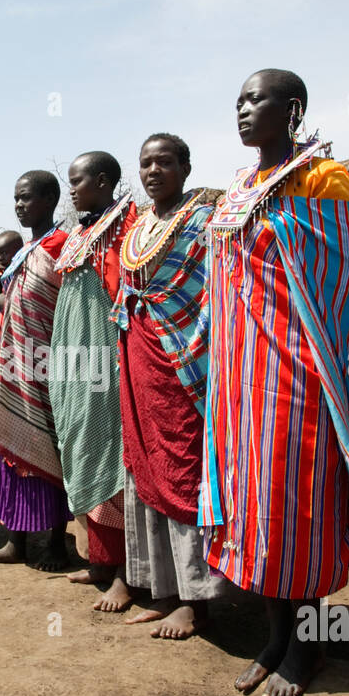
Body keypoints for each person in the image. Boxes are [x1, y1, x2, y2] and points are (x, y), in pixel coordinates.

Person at [202, 69, 349, 696]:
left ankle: (307, 646)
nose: (244, 110)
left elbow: (339, 277)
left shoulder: (321, 180)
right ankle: (276, 637)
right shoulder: (238, 191)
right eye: (239, 100)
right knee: (257, 507)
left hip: (294, 374)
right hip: (240, 381)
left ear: (294, 109)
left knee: (294, 506)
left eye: (257, 99)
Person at [113, 134, 222, 638]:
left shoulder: (203, 220)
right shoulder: (137, 226)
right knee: (142, 464)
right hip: (137, 358)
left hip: (183, 363)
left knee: (181, 467)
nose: (153, 170)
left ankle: (196, 599)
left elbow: (212, 292)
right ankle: (161, 589)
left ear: (185, 166)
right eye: (146, 163)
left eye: (164, 162)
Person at [52, 151, 137, 610]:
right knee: (77, 439)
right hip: (71, 351)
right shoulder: (83, 231)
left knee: (108, 448)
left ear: (102, 181)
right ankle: (100, 560)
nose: (72, 189)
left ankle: (126, 572)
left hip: (101, 350)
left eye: (77, 180)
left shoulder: (127, 225)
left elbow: (126, 288)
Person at [0, 171, 71, 568]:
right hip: (12, 365)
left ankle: (56, 542)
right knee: (9, 447)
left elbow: (66, 307)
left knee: (47, 449)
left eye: (26, 198)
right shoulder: (24, 250)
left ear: (49, 199)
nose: (19, 205)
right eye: (15, 198)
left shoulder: (62, 244)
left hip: (46, 364)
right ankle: (15, 541)